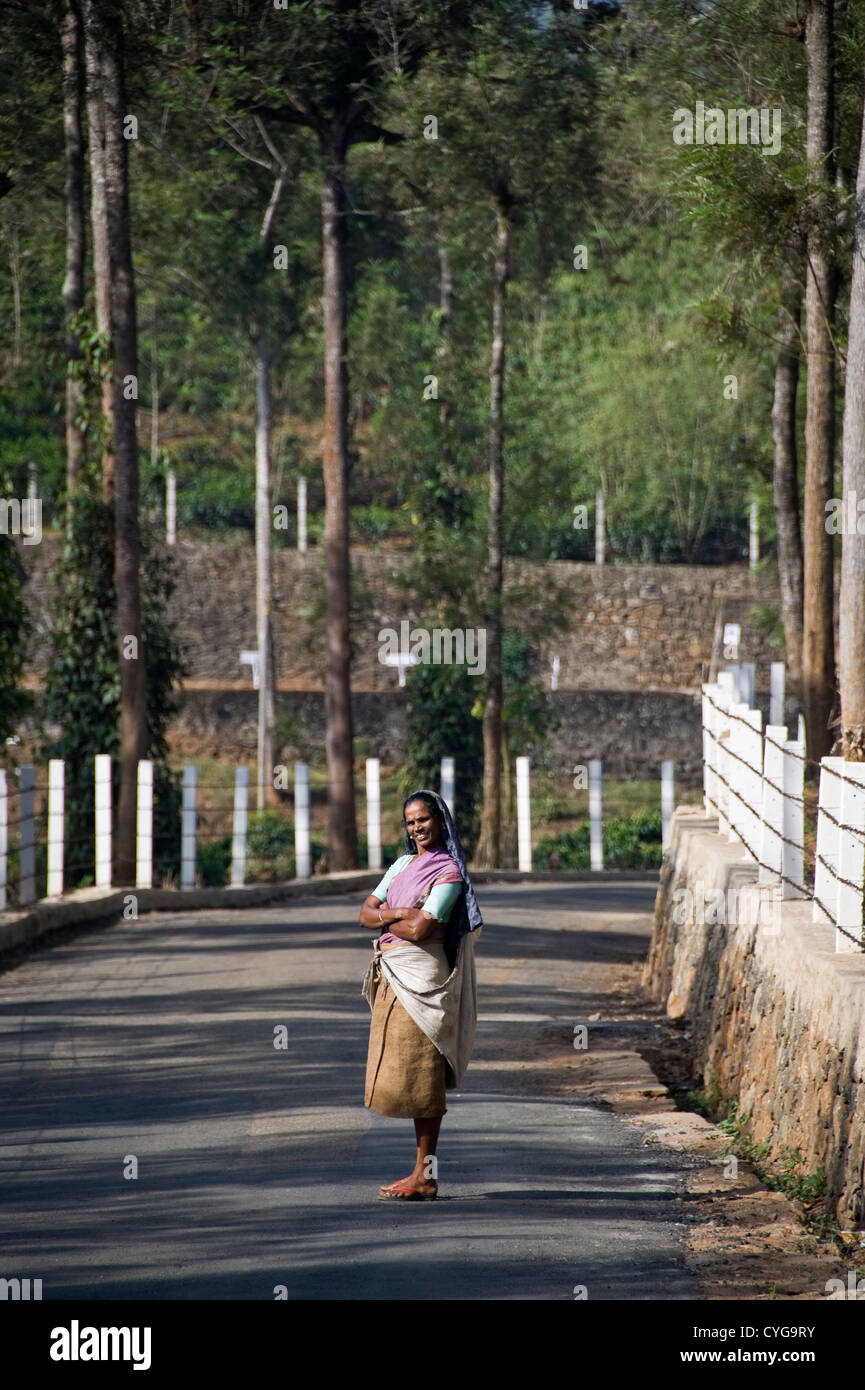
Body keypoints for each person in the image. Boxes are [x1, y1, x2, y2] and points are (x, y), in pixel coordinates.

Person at [359, 789, 483, 1201]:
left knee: (425, 1077)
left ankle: (425, 1176)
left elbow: (423, 930)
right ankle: (418, 1173)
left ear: (440, 822)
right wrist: (397, 912)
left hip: (423, 980)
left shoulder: (447, 872)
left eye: (424, 820)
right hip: (395, 976)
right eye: (410, 822)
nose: (417, 828)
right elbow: (364, 913)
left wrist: (389, 918)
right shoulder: (401, 864)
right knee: (408, 1075)